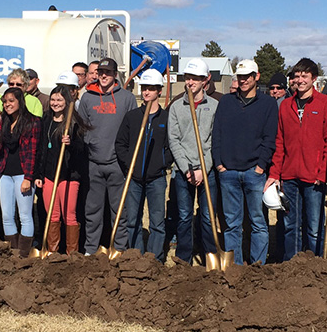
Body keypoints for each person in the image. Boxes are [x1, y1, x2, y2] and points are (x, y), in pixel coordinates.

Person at [266, 58, 327, 260]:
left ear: (313, 78)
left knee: (314, 227)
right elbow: (280, 142)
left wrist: (322, 172)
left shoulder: (324, 104)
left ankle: (315, 265)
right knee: (290, 226)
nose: (300, 80)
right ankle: (292, 266)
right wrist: (275, 173)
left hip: (313, 177)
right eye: (297, 76)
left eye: (305, 76)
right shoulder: (286, 105)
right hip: (289, 177)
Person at [212, 59, 278, 265]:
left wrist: (260, 166)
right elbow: (217, 134)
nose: (243, 80)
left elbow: (270, 138)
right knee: (232, 223)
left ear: (256, 77)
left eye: (247, 76)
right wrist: (219, 164)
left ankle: (257, 265)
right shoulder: (226, 102)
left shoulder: (267, 104)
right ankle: (235, 267)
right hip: (228, 172)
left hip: (253, 172)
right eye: (240, 77)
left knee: (258, 222)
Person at [77, 57, 138, 254]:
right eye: (101, 73)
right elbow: (82, 129)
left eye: (108, 73)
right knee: (92, 210)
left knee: (119, 210)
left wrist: (126, 158)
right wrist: (90, 147)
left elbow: (132, 130)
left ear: (114, 75)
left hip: (117, 164)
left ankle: (119, 248)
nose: (104, 76)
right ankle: (91, 249)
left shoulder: (127, 98)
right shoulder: (87, 98)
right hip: (93, 163)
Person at [168, 58, 220, 264]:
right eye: (187, 78)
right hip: (184, 171)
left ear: (205, 80)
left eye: (194, 79)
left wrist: (203, 169)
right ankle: (184, 257)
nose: (189, 82)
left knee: (207, 217)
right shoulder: (176, 107)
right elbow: (174, 140)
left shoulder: (214, 106)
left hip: (208, 170)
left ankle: (210, 256)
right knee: (184, 216)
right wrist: (187, 169)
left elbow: (215, 141)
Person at [116, 69, 172, 261]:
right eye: (144, 88)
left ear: (159, 91)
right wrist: (129, 163)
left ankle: (155, 259)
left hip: (156, 179)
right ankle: (136, 257)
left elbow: (170, 146)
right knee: (132, 221)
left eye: (151, 89)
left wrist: (162, 162)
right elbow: (120, 144)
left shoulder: (165, 119)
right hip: (134, 178)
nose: (146, 92)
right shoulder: (132, 117)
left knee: (157, 222)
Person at [35, 85, 88, 254]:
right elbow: (41, 149)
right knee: (52, 214)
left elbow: (81, 151)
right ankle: (53, 252)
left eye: (59, 100)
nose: (55, 103)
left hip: (68, 176)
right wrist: (39, 174)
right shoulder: (46, 121)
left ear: (67, 102)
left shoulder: (73, 123)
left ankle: (72, 253)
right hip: (50, 175)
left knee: (69, 215)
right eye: (53, 99)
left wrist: (70, 143)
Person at [0, 86, 41, 255]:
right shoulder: (4, 122)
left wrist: (28, 177)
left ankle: (23, 254)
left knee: (25, 215)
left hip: (23, 174)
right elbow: (2, 150)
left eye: (11, 101)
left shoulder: (33, 122)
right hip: (5, 174)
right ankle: (12, 252)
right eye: (5, 101)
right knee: (6, 215)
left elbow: (33, 153)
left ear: (20, 102)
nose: (7, 104)